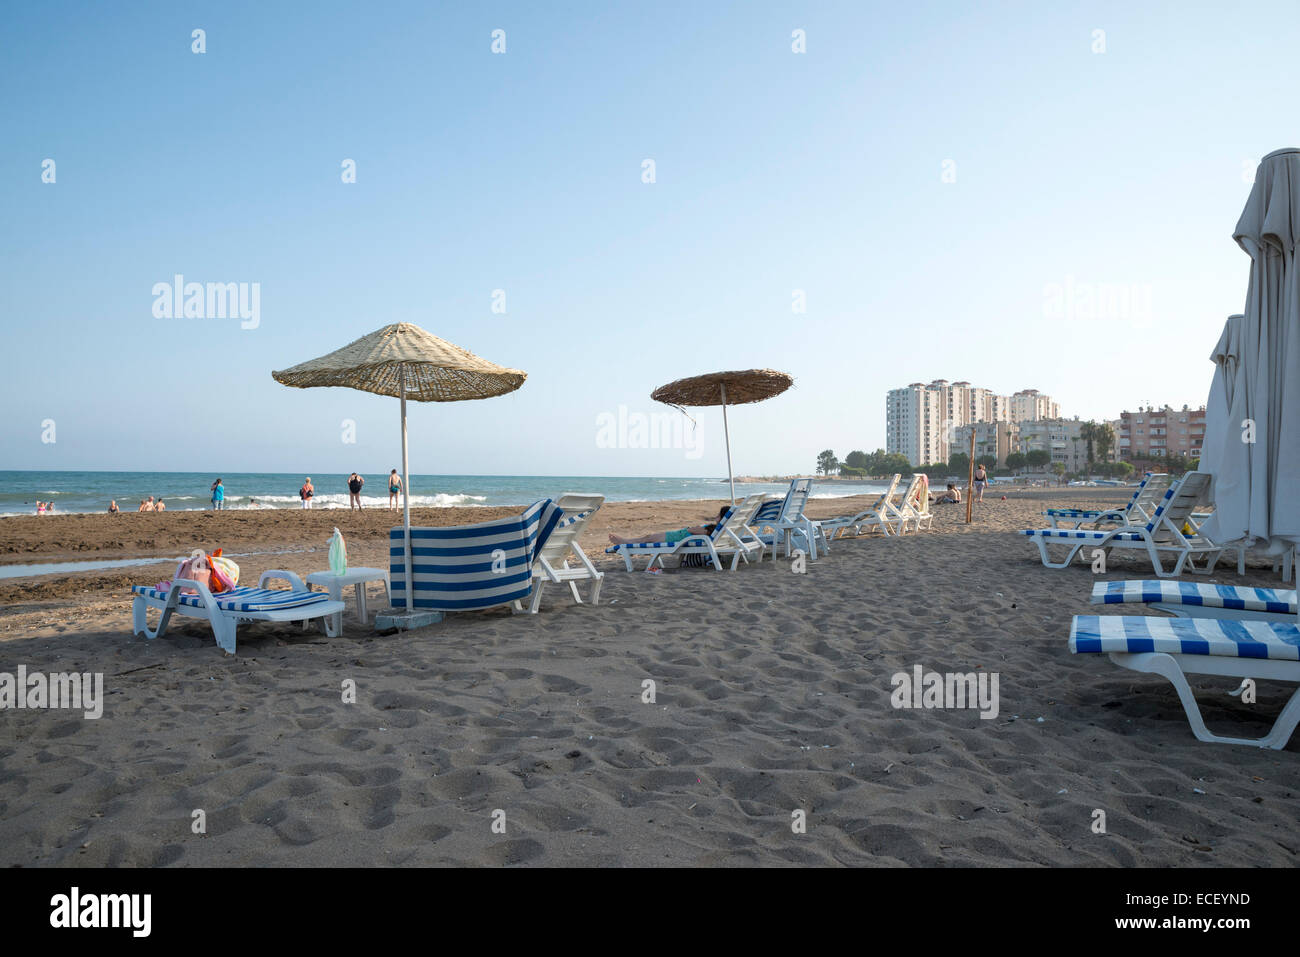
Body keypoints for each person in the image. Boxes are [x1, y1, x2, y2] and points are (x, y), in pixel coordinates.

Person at [609, 507, 729, 546]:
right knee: (648, 537)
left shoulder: (709, 530)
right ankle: (626, 541)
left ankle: (625, 542)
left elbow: (692, 530)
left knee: (648, 538)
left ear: (722, 517)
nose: (716, 515)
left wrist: (694, 527)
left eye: (719, 514)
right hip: (681, 536)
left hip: (677, 538)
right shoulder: (715, 530)